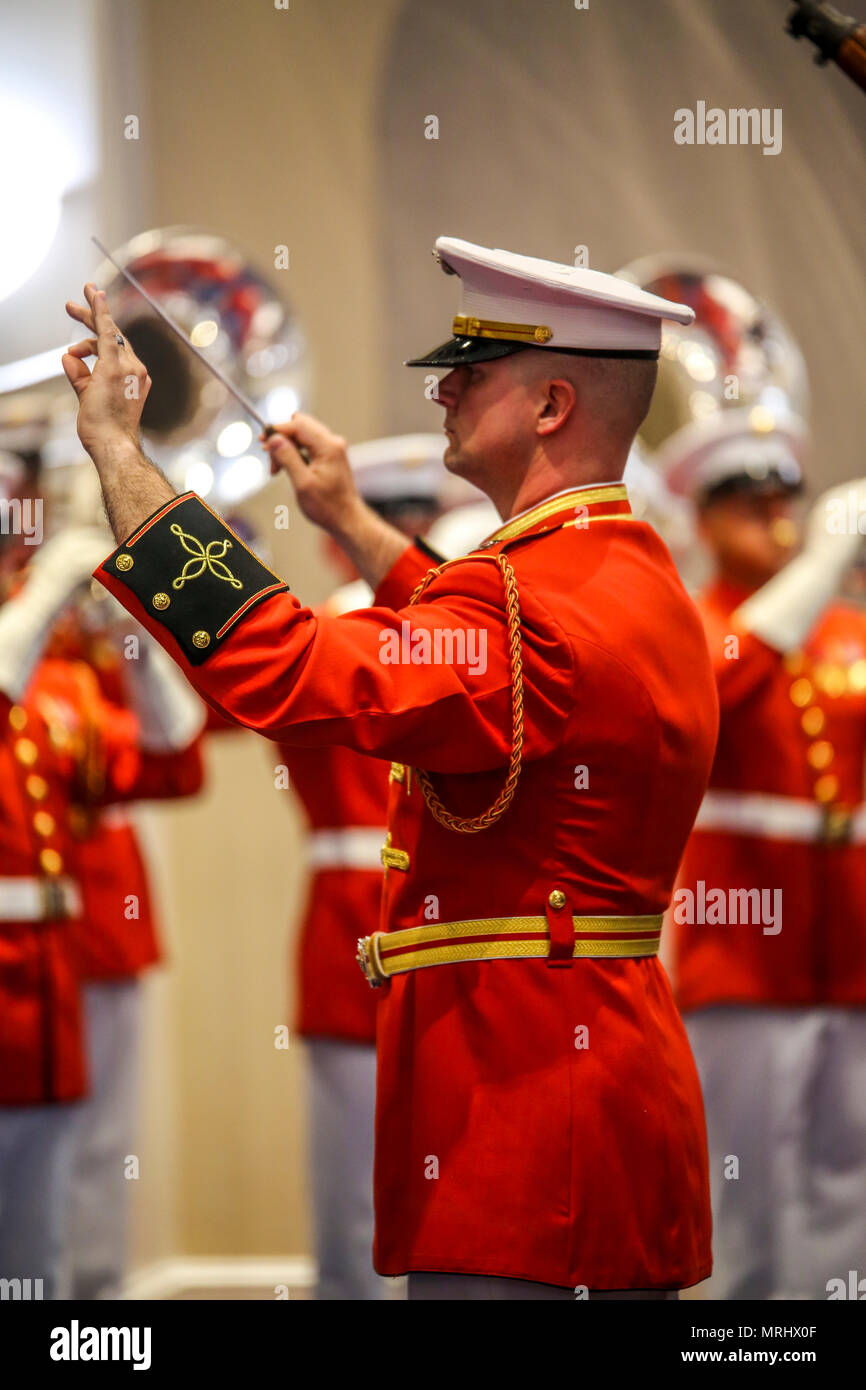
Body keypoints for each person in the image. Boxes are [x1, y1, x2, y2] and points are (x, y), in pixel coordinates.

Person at [63, 237, 719, 1299]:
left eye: (473, 368)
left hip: (526, 1128)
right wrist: (353, 522)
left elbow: (281, 663)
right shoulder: (610, 572)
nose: (444, 387)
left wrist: (124, 463)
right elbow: (476, 655)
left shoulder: (528, 607)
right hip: (586, 1094)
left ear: (551, 405)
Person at [664, 411, 866, 1299]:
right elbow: (715, 687)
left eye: (786, 499)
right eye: (748, 502)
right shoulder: (693, 626)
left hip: (851, 957)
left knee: (846, 1190)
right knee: (743, 1195)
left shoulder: (844, 637)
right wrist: (826, 560)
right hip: (743, 953)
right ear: (703, 520)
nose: (775, 517)